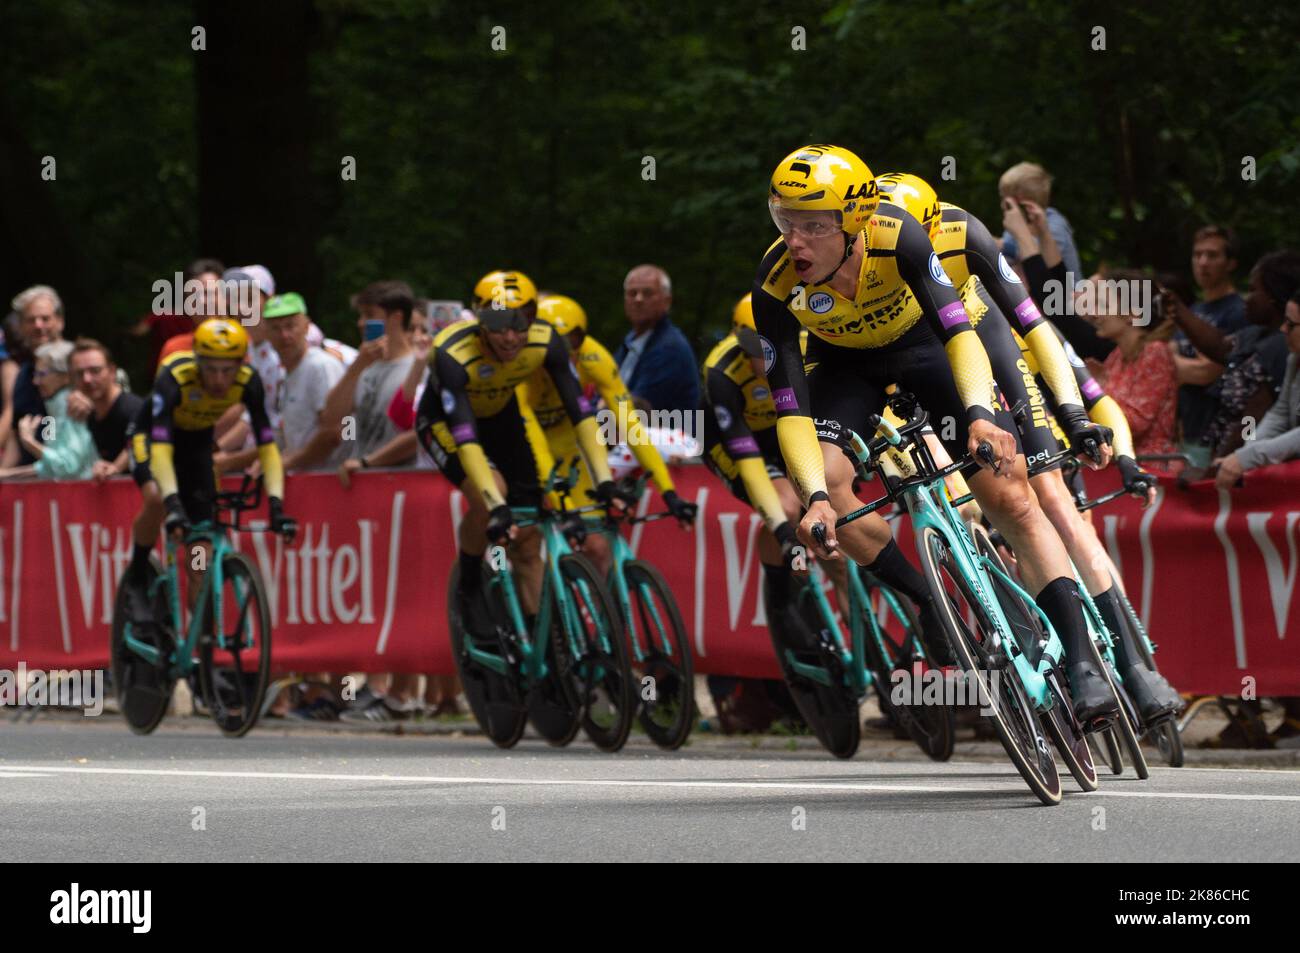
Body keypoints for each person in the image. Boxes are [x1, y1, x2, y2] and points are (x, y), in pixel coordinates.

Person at [755, 143, 1116, 722]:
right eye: (784, 222)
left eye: (813, 226)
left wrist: (977, 413)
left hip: (925, 347)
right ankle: (925, 597)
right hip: (845, 367)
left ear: (854, 224)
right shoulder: (775, 282)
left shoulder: (900, 236)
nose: (794, 240)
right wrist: (818, 498)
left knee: (1011, 496)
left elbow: (959, 334)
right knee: (822, 484)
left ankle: (1081, 661)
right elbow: (790, 407)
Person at [877, 173, 1179, 720]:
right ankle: (1010, 638)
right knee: (962, 508)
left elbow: (1088, 389)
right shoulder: (861, 293)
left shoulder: (967, 242)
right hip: (931, 371)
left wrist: (1099, 437)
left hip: (997, 362)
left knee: (1052, 497)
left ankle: (1133, 666)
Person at [415, 270, 620, 637]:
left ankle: (539, 640)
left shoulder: (546, 340)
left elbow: (582, 415)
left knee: (528, 543)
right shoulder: (450, 353)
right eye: (497, 325)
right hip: (448, 424)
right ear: (478, 321)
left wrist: (604, 479)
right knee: (490, 492)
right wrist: (495, 506)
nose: (511, 337)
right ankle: (470, 582)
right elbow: (467, 440)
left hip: (501, 419)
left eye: (520, 322)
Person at [121, 318, 295, 628]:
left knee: (200, 556)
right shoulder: (175, 375)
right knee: (156, 499)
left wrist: (277, 505)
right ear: (198, 362)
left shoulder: (248, 381)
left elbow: (268, 447)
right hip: (152, 437)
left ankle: (205, 653)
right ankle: (136, 577)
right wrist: (174, 503)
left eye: (227, 370)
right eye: (211, 369)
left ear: (240, 366)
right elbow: (161, 449)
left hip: (195, 442)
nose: (218, 379)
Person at [519, 292, 696, 575]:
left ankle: (602, 617)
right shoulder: (522, 364)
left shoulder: (593, 357)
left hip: (566, 447)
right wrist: (561, 503)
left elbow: (631, 427)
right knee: (523, 546)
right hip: (524, 448)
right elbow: (533, 440)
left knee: (597, 547)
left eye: (570, 344)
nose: (562, 353)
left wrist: (669, 492)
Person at [1175, 227, 1248, 464]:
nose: (1203, 262)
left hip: (1219, 433)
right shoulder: (1194, 311)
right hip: (1187, 429)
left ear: (1231, 263)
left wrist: (1170, 366)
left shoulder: (1239, 312)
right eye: (1197, 255)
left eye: (1212, 255)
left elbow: (1208, 371)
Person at [1214, 290, 1300, 488]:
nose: (1283, 329)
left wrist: (1247, 455)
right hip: (1248, 431)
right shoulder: (1291, 356)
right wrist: (1244, 453)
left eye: (1291, 324)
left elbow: (1253, 413)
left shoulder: (1277, 350)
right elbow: (1280, 412)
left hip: (1250, 425)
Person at [0, 340, 96, 481]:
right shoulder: (52, 407)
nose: (35, 381)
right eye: (36, 374)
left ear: (65, 376)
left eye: (42, 374)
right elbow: (49, 466)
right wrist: (8, 474)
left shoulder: (73, 407)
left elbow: (68, 466)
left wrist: (30, 442)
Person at [614, 264, 699, 417]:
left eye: (647, 293)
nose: (638, 299)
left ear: (667, 301)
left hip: (667, 436)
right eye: (632, 293)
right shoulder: (631, 340)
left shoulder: (670, 348)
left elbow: (636, 408)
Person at [4, 285, 66, 466]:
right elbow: (16, 438)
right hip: (31, 483)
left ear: (60, 321)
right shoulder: (23, 375)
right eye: (31, 320)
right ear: (22, 327)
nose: (39, 326)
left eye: (45, 319)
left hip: (72, 477)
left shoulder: (81, 367)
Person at [66, 339, 142, 482]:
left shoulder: (132, 408)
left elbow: (140, 440)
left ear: (112, 372)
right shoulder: (85, 414)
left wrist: (115, 467)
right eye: (79, 373)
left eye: (95, 371)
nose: (87, 379)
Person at [997, 161, 1083, 285]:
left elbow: (1033, 260)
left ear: (1019, 201)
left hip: (1070, 297)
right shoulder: (1016, 226)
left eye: (1006, 200)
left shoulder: (1055, 225)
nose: (1002, 205)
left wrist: (992, 243)